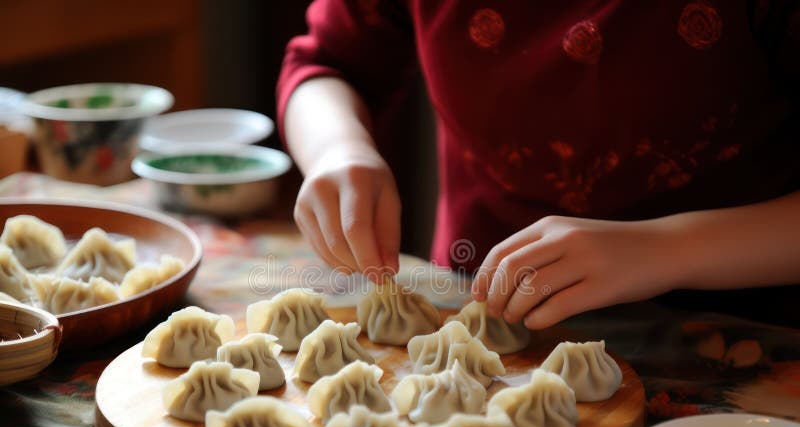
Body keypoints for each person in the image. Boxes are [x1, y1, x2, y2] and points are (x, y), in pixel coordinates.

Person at [277, 1, 800, 329]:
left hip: (743, 340)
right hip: (474, 315)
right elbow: (328, 64)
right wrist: (337, 149)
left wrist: (671, 249)